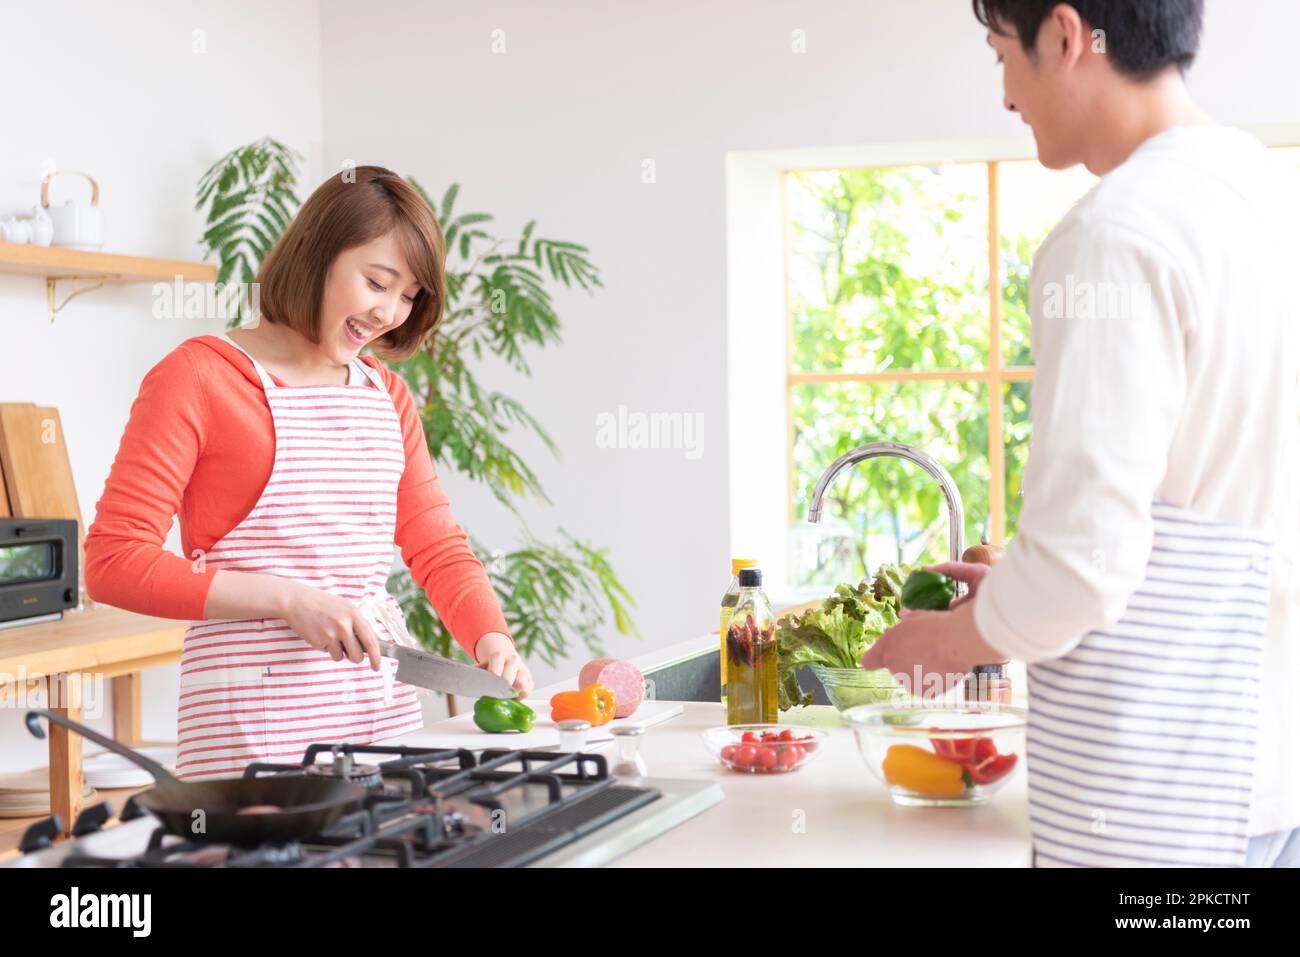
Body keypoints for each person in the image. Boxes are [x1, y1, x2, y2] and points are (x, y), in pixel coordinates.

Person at [862, 0, 1299, 867]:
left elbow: (1080, 569)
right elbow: (1226, 509)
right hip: (1270, 782)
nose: (1006, 96)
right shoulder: (1267, 196)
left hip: (1157, 810)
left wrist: (940, 643)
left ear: (1065, 37)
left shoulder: (1115, 234)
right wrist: (1016, 588)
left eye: (1002, 55)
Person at [84, 166, 533, 780]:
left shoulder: (387, 396)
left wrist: (490, 640)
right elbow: (114, 561)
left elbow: (436, 546)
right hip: (252, 728)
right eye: (377, 282)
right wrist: (288, 600)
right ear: (317, 254)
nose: (389, 312)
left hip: (381, 713)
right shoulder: (199, 378)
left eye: (408, 296)